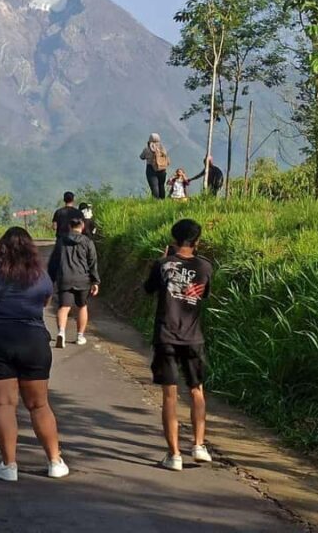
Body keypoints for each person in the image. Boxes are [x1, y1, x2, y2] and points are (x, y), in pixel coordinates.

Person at [0, 227, 69, 482]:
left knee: (5, 404)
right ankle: (54, 461)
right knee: (39, 404)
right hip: (33, 339)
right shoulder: (41, 276)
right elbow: (45, 302)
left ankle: (9, 465)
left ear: (2, 248)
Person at [143, 219, 214, 471]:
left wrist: (164, 259)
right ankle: (198, 444)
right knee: (197, 390)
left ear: (173, 239)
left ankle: (174, 455)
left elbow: (148, 289)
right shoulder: (205, 266)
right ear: (197, 241)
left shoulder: (163, 264)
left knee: (169, 395)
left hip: (166, 336)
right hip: (193, 337)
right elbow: (202, 294)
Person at [48, 218, 100, 348]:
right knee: (82, 306)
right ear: (82, 226)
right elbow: (92, 262)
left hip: (64, 278)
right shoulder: (87, 242)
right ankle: (80, 336)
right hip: (82, 279)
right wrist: (95, 281)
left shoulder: (61, 242)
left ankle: (61, 333)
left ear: (69, 227)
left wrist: (51, 279)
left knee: (64, 307)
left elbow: (54, 262)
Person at [140, 133, 169, 199]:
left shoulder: (147, 149)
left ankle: (156, 201)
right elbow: (165, 156)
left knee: (154, 186)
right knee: (161, 185)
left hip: (151, 169)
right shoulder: (162, 148)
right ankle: (162, 200)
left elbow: (141, 157)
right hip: (162, 169)